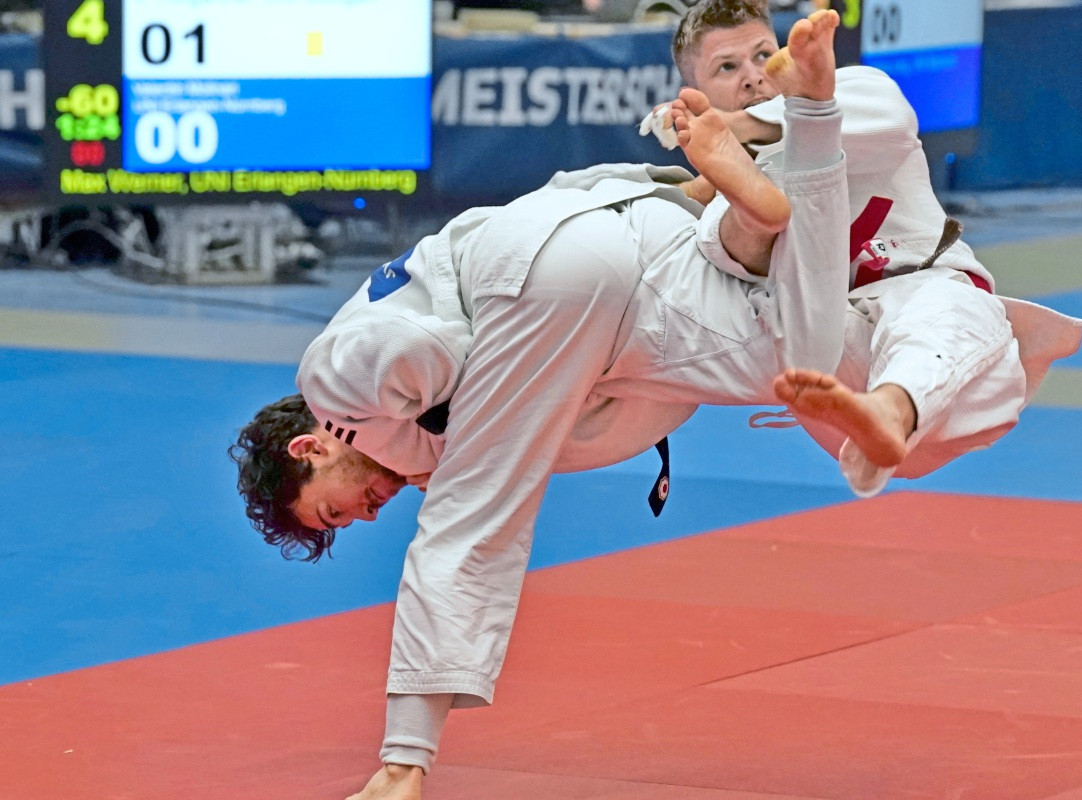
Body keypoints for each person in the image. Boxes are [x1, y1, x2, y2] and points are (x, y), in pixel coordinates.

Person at [231, 12, 850, 799]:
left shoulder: (335, 386)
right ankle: (787, 163)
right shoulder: (395, 420)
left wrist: (448, 454)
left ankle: (400, 767)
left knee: (469, 518)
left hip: (538, 284)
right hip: (632, 271)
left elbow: (438, 356)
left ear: (310, 449)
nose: (363, 515)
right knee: (806, 358)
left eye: (332, 512)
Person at [654, 0, 1082, 496]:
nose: (752, 77)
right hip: (829, 347)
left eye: (763, 55)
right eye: (727, 68)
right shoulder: (715, 204)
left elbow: (894, 121)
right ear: (695, 92)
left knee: (945, 311)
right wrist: (727, 180)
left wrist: (747, 127)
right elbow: (734, 253)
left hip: (922, 308)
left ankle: (892, 407)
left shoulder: (860, 91)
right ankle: (883, 408)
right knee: (722, 242)